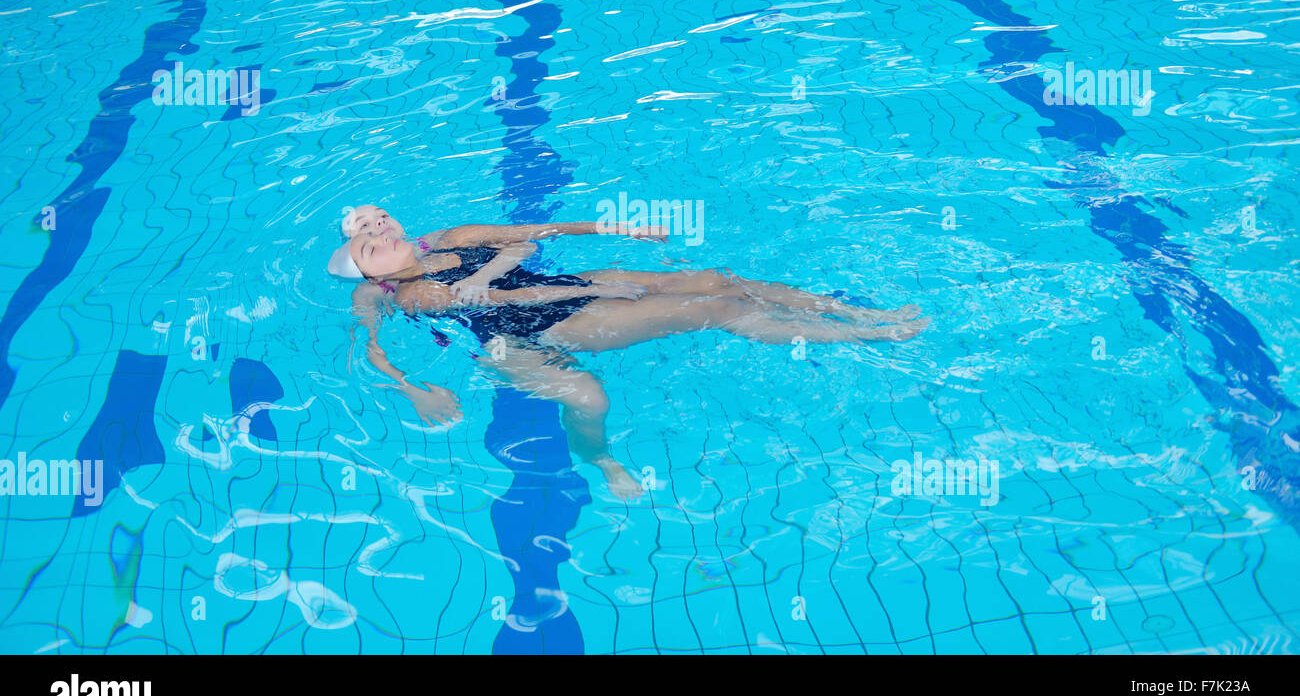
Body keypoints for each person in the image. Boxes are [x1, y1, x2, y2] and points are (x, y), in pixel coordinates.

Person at [331, 205, 928, 499]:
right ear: (363, 268)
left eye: (381, 222)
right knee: (600, 390)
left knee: (715, 279)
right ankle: (602, 462)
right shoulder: (407, 294)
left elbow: (545, 235)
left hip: (557, 291)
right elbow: (372, 347)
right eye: (368, 241)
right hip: (520, 334)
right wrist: (413, 389)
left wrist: (619, 229)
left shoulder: (449, 239)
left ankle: (860, 311)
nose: (381, 232)